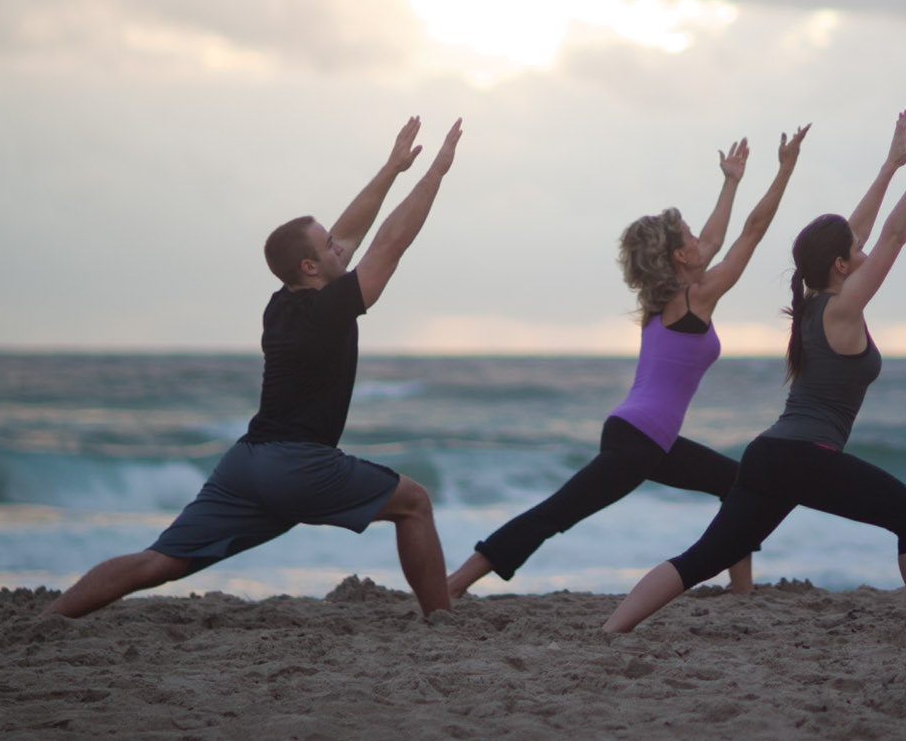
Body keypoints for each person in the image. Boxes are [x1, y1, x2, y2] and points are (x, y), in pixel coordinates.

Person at [44, 116, 465, 619]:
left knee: (159, 560)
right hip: (298, 466)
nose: (340, 248)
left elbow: (351, 233)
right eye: (328, 247)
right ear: (310, 267)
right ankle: (441, 621)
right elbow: (389, 244)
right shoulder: (330, 310)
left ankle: (50, 620)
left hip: (247, 463)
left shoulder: (281, 303)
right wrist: (435, 172)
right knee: (413, 503)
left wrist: (391, 168)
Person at [604, 109, 906, 633]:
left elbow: (852, 233)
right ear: (840, 265)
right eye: (857, 252)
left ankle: (612, 629)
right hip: (804, 457)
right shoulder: (840, 309)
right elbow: (894, 238)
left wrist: (888, 167)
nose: (863, 250)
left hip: (769, 455)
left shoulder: (814, 302)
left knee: (705, 556)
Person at [444, 126, 810, 597]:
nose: (703, 238)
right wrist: (785, 169)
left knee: (739, 486)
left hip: (644, 436)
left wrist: (732, 181)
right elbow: (751, 233)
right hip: (639, 440)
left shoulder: (664, 303)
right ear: (680, 256)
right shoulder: (694, 300)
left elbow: (716, 241)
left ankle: (743, 594)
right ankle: (452, 583)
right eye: (691, 235)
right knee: (556, 514)